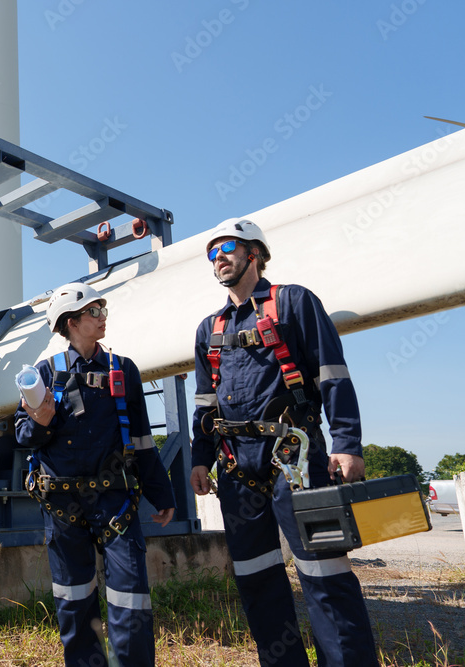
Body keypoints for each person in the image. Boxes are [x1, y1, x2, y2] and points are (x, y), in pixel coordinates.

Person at [190, 218, 379, 666]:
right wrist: (201, 460)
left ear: (254, 253)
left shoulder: (293, 301)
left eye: (228, 247)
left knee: (324, 574)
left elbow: (332, 375)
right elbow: (204, 405)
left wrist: (347, 442)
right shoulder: (208, 329)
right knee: (256, 579)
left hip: (295, 457)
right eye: (212, 252)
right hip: (236, 468)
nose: (219, 257)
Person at [15, 282, 176, 667]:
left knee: (131, 598)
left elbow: (141, 440)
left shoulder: (123, 369)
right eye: (95, 312)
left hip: (115, 501)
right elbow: (23, 436)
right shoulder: (44, 374)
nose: (104, 317)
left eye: (103, 310)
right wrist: (40, 419)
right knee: (73, 601)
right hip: (62, 506)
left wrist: (162, 493)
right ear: (71, 322)